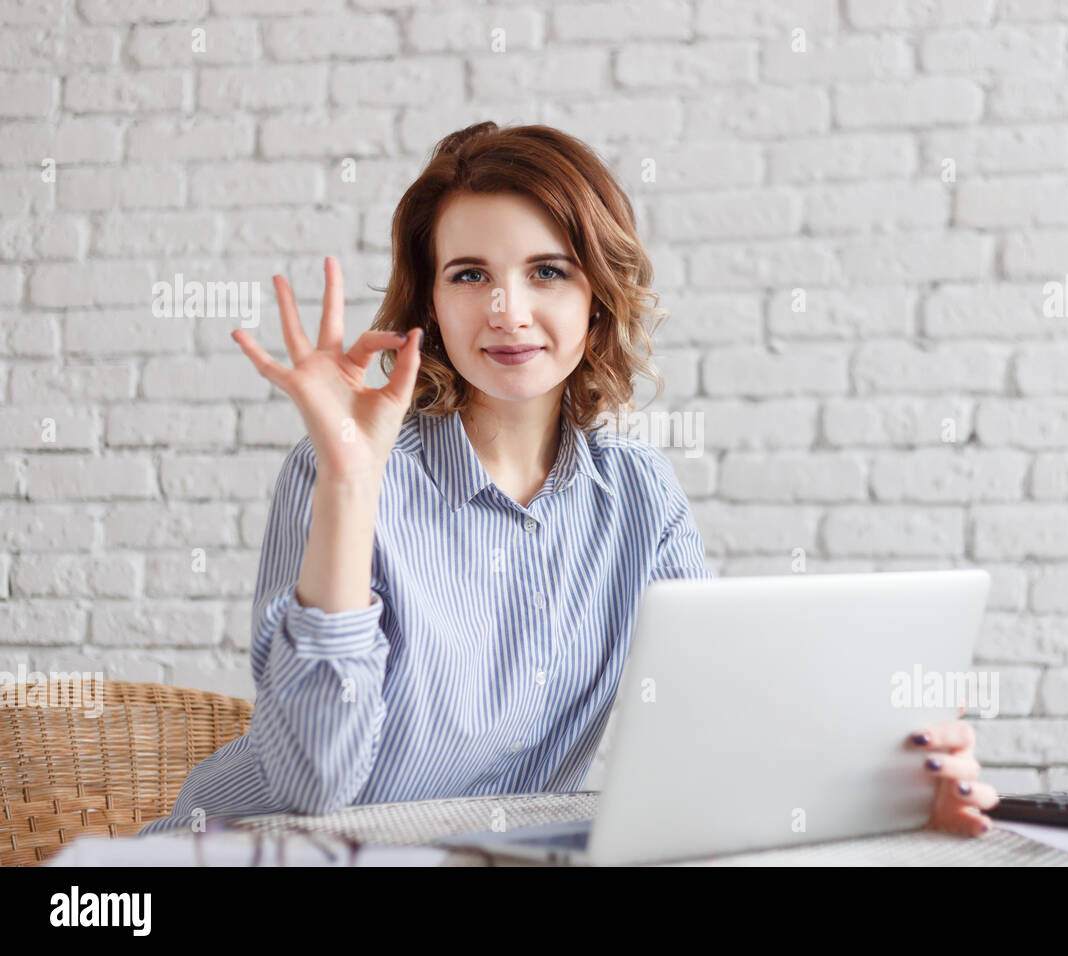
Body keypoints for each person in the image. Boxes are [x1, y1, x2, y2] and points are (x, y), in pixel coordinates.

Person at [139, 122, 998, 839]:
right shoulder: (343, 467)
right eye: (468, 274)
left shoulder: (636, 498)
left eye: (546, 271)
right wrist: (352, 486)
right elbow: (310, 782)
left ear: (598, 296)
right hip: (248, 854)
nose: (507, 310)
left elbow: (713, 735)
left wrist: (890, 777)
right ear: (430, 303)